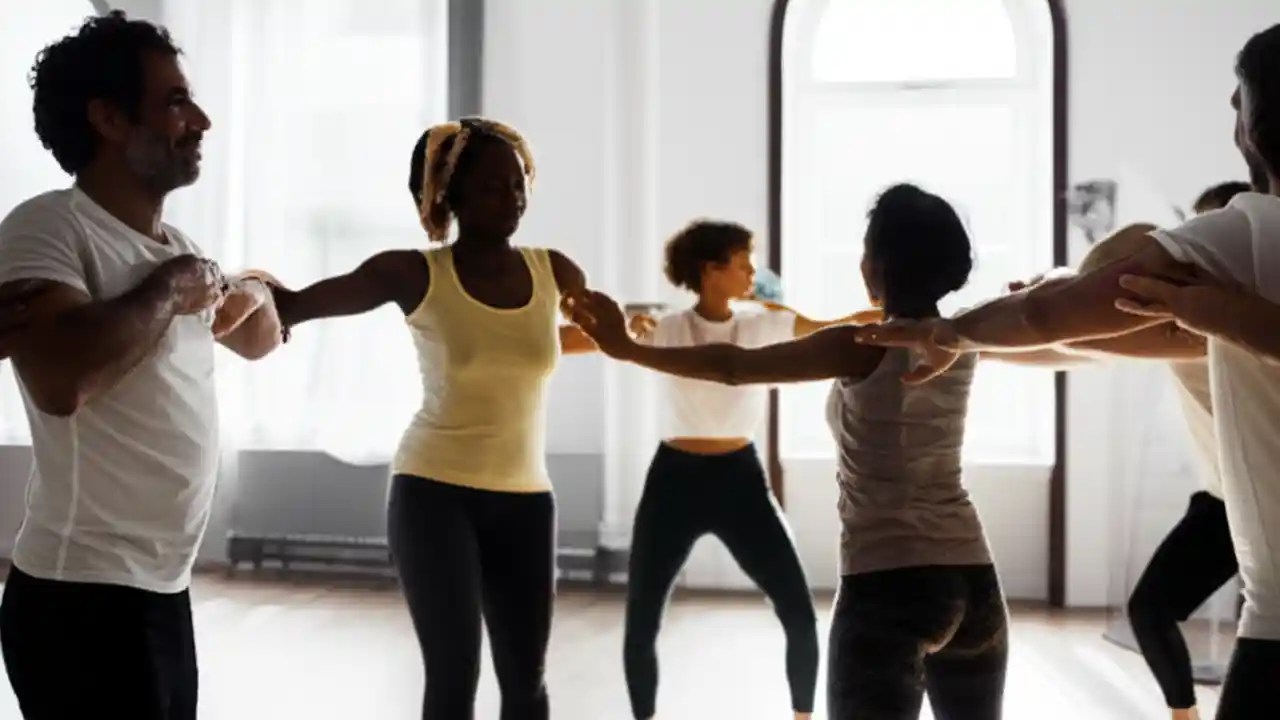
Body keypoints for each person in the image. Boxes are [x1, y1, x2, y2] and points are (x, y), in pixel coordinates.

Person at [854, 23, 1280, 720]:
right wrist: (977, 339)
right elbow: (1104, 337)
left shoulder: (1246, 235)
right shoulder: (1222, 303)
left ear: (1253, 127)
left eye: (1237, 103)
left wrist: (955, 329)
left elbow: (1062, 315)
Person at [570, 183, 1008, 720]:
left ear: (878, 266)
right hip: (975, 579)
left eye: (866, 251)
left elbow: (734, 367)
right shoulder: (962, 339)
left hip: (890, 582)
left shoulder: (860, 343)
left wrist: (627, 348)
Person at [267, 117, 640, 720]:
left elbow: (545, 341)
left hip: (526, 499)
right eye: (493, 186)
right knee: (454, 678)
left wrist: (624, 331)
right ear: (451, 195)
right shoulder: (413, 273)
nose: (513, 198)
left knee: (527, 685)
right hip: (434, 495)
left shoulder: (556, 272)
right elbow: (295, 306)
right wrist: (235, 295)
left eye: (519, 184)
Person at [0, 12, 283, 720]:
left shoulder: (176, 245)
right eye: (176, 101)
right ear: (108, 118)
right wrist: (169, 291)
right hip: (79, 598)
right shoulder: (47, 227)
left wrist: (248, 289)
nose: (202, 120)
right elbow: (64, 380)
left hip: (162, 592)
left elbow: (257, 339)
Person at [623, 219, 879, 720]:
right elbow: (628, 336)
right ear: (710, 270)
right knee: (642, 619)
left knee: (799, 614)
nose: (752, 273)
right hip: (673, 480)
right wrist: (628, 328)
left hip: (740, 479)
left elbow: (839, 325)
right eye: (742, 263)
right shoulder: (669, 328)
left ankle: (804, 716)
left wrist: (899, 314)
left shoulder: (764, 321)